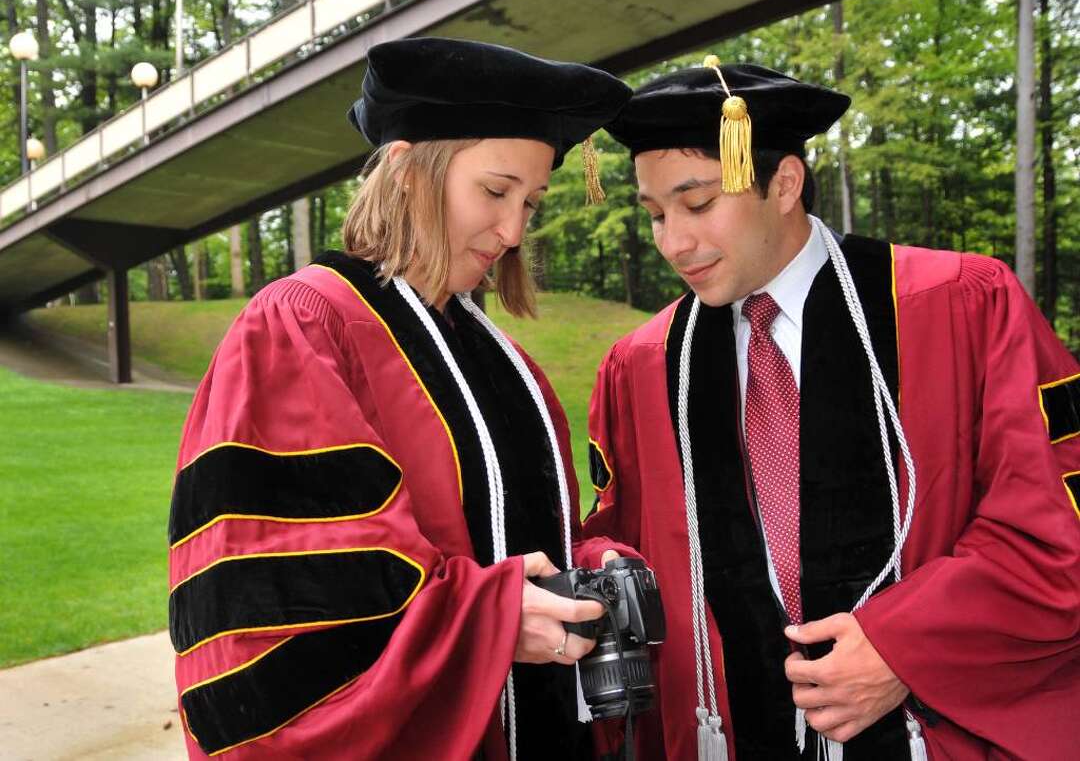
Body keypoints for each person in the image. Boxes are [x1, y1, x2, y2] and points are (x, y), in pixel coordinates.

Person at [582, 61, 1080, 760]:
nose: (673, 242)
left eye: (697, 205)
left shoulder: (961, 305)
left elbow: (1053, 525)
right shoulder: (641, 365)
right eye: (657, 214)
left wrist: (906, 647)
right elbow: (619, 546)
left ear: (784, 183)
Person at [167, 37, 638, 760]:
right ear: (407, 172)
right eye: (495, 190)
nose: (514, 231)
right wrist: (486, 621)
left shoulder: (503, 359)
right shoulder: (302, 324)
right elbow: (290, 585)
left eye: (531, 202)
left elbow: (526, 543)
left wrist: (595, 566)